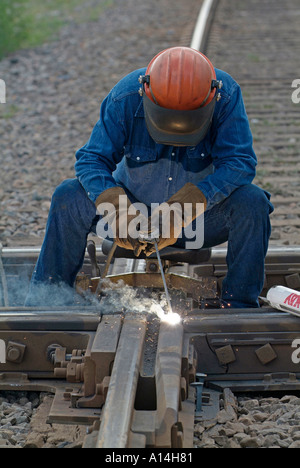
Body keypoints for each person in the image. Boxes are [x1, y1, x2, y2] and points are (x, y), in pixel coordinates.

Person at [25, 46, 273, 308]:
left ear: (210, 97)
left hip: (196, 222)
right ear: (145, 92)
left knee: (252, 202)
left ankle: (238, 306)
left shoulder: (225, 96)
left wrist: (185, 207)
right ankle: (47, 303)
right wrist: (118, 209)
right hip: (131, 220)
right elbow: (91, 160)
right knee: (67, 196)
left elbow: (240, 163)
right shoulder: (126, 96)